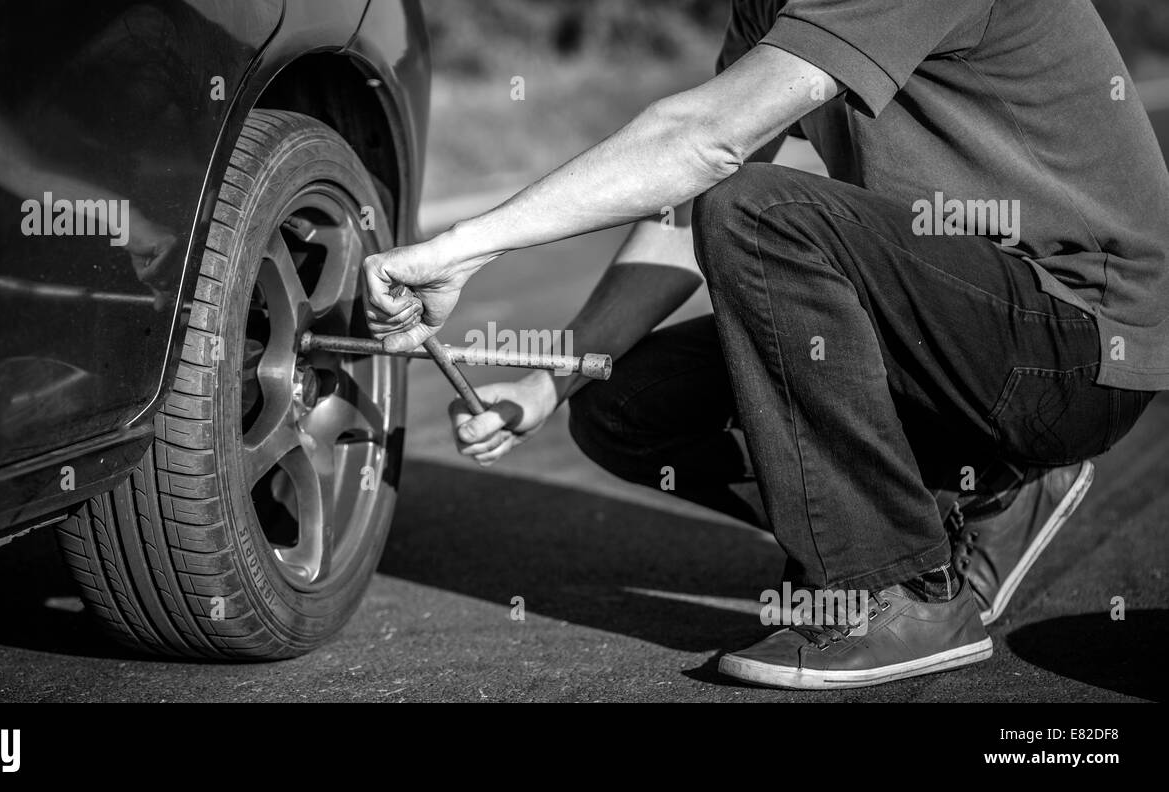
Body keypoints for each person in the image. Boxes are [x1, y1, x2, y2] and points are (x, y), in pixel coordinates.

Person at [361, 0, 1169, 689]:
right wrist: (554, 375)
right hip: (958, 328)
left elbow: (703, 144)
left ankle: (900, 590)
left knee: (760, 215)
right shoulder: (766, 2)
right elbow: (690, 193)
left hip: (1082, 339)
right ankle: (982, 490)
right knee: (622, 407)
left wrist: (461, 249)